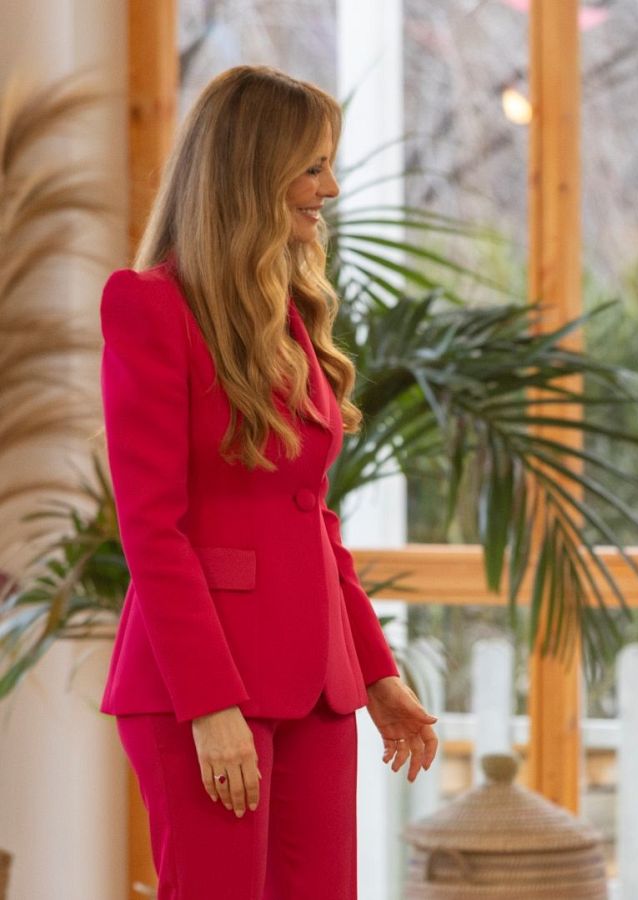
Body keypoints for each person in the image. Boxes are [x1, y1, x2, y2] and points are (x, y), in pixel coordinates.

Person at [99, 66, 438, 899]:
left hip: (317, 686)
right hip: (203, 686)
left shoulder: (286, 313)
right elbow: (151, 528)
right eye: (312, 166)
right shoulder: (148, 306)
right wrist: (209, 704)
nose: (329, 188)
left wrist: (376, 672)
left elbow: (312, 518)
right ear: (252, 170)